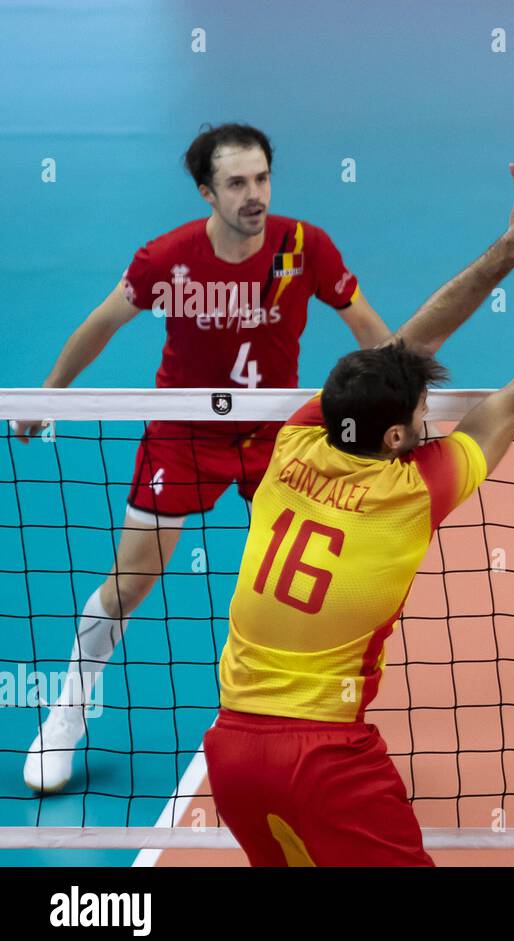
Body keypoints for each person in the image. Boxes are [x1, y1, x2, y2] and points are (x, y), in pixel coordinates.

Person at [203, 165, 514, 865]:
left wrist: (512, 244)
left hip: (232, 751)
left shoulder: (296, 441)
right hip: (324, 756)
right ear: (395, 440)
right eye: (421, 418)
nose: (430, 425)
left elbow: (404, 351)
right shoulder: (413, 490)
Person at [19, 124, 392, 793]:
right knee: (132, 582)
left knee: (312, 582)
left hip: (276, 434)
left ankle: (319, 720)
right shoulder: (168, 259)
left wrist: (404, 404)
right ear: (206, 191)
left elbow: (366, 326)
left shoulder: (303, 246)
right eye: (237, 183)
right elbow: (104, 322)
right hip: (186, 431)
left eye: (262, 179)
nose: (254, 196)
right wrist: (48, 397)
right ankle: (66, 715)